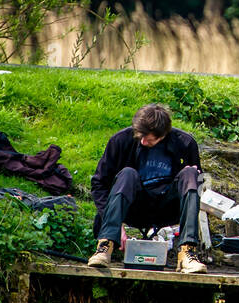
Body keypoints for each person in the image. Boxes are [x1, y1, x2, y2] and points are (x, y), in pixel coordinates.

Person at [87, 103, 206, 274]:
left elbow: (195, 188)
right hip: (132, 206)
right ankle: (105, 246)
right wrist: (113, 221)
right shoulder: (120, 141)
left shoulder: (185, 143)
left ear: (163, 134)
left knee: (191, 173)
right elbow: (99, 184)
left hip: (168, 207)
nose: (143, 141)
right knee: (127, 173)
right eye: (140, 136)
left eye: (149, 139)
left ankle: (187, 252)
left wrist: (192, 175)